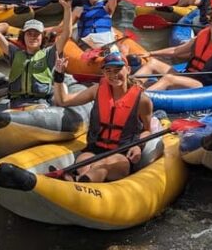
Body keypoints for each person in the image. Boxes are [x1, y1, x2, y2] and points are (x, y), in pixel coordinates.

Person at [50, 52, 153, 182]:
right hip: (94, 150)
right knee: (84, 161)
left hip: (121, 155)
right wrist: (59, 75)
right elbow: (63, 101)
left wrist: (138, 146)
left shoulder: (142, 101)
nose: (113, 74)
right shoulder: (97, 90)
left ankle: (75, 181)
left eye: (117, 69)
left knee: (103, 165)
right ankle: (79, 180)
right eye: (108, 70)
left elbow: (147, 130)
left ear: (128, 69)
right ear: (103, 73)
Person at [0, 0, 73, 107]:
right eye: (29, 34)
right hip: (15, 103)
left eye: (36, 34)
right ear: (23, 37)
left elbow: (66, 34)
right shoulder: (14, 52)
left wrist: (67, 7)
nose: (32, 37)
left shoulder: (49, 54)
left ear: (42, 38)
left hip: (40, 103)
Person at [133, 12, 212, 91]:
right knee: (152, 63)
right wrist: (151, 53)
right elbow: (176, 51)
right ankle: (131, 87)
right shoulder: (200, 38)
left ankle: (140, 97)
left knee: (169, 78)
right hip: (188, 75)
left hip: (202, 84)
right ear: (210, 25)